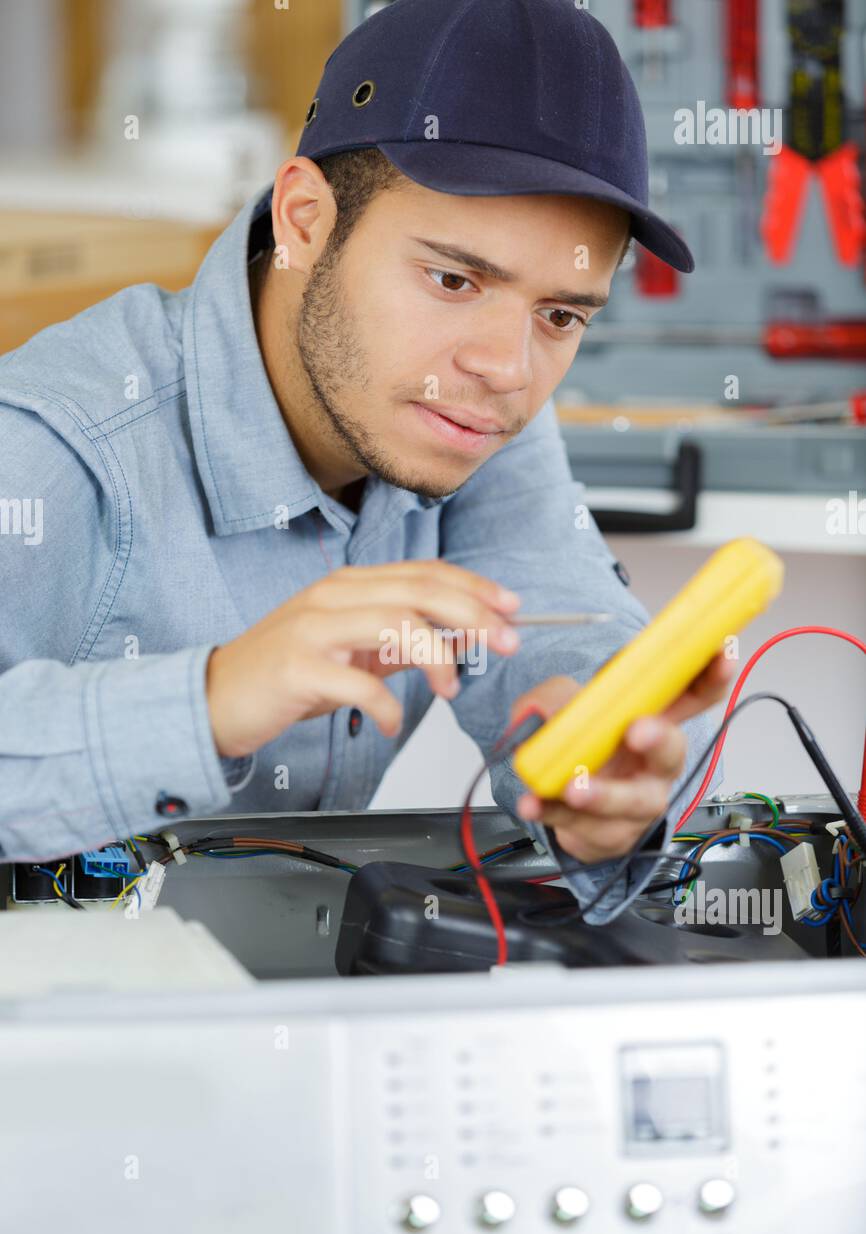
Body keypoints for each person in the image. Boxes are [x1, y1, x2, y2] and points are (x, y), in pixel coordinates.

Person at [0, 0, 727, 922]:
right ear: (305, 218)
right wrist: (214, 698)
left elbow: (562, 618)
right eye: (454, 280)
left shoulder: (461, 411)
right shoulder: (53, 447)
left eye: (562, 315)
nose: (506, 368)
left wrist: (617, 761)